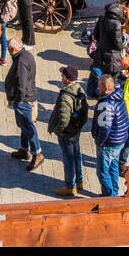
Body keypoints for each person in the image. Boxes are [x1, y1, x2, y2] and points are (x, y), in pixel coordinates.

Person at [48, 64, 89, 198]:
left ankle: (70, 186)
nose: (61, 77)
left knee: (68, 159)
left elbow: (64, 119)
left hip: (67, 133)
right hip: (76, 130)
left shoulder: (66, 96)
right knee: (77, 154)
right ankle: (79, 180)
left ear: (66, 79)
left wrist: (59, 131)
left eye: (62, 75)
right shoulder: (79, 90)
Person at [5, 36, 43, 170]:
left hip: (24, 100)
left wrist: (18, 100)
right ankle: (24, 149)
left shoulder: (21, 61)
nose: (8, 52)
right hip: (27, 97)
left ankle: (37, 152)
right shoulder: (26, 55)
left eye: (9, 50)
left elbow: (22, 84)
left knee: (27, 126)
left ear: (14, 49)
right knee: (23, 124)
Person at [92, 72, 129, 198]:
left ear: (107, 88)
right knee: (113, 167)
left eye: (100, 86)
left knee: (102, 172)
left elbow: (105, 129)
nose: (98, 88)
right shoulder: (118, 97)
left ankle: (109, 197)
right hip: (119, 140)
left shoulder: (105, 105)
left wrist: (99, 141)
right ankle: (114, 192)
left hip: (109, 143)